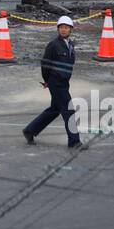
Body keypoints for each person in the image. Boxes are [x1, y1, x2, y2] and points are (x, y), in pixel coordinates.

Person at [23, 15, 82, 148]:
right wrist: (47, 81)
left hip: (64, 83)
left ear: (71, 29)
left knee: (54, 110)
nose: (63, 30)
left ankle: (30, 131)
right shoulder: (53, 45)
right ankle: (74, 142)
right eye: (61, 27)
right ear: (58, 29)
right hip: (56, 84)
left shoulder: (70, 45)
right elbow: (45, 64)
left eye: (66, 28)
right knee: (69, 111)